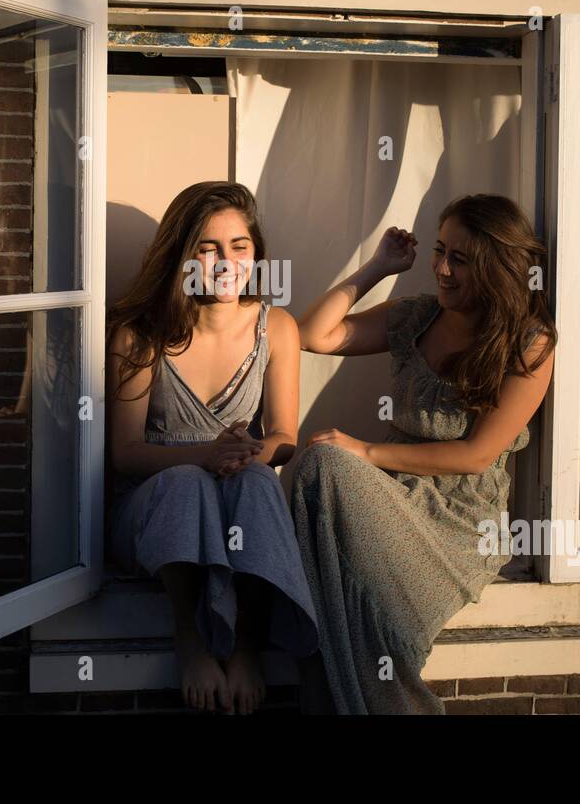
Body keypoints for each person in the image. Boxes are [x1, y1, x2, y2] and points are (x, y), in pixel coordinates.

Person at [284, 193, 557, 714]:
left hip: (461, 522)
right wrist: (378, 267)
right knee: (323, 467)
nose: (443, 269)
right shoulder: (418, 317)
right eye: (439, 251)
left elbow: (477, 455)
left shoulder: (529, 343)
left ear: (499, 267)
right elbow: (309, 334)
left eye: (461, 259)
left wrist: (365, 451)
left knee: (332, 464)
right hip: (395, 498)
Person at [106, 181, 318, 714]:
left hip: (236, 493)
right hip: (155, 510)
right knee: (188, 482)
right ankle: (190, 639)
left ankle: (244, 644)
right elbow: (124, 452)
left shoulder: (278, 329)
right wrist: (204, 456)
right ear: (183, 255)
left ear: (256, 255)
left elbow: (285, 437)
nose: (226, 262)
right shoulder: (141, 335)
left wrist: (250, 454)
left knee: (255, 481)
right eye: (208, 248)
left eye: (239, 248)